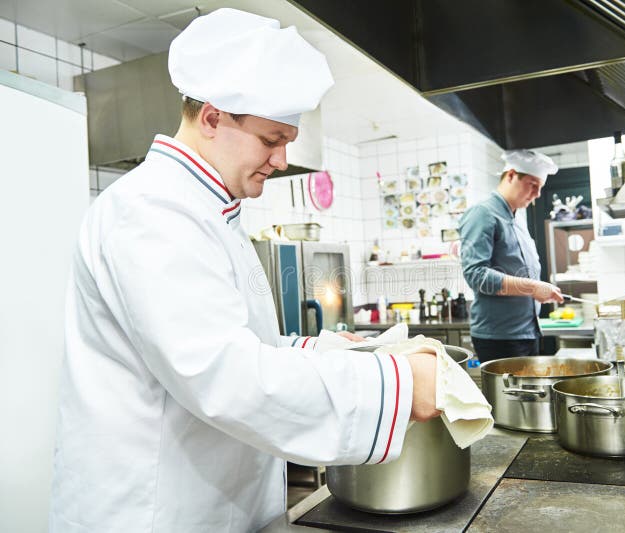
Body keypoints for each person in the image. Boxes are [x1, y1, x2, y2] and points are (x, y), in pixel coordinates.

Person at [49, 9, 439, 532]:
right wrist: (394, 386)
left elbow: (237, 342)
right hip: (155, 511)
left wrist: (334, 351)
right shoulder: (151, 211)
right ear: (212, 118)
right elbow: (221, 374)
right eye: (271, 139)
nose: (281, 160)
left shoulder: (209, 211)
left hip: (217, 505)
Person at [459, 149, 565, 362]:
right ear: (510, 176)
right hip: (500, 338)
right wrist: (533, 287)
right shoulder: (483, 214)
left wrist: (538, 289)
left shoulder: (516, 218)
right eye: (533, 185)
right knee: (510, 396)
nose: (537, 194)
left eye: (540, 188)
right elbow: (477, 276)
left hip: (526, 332)